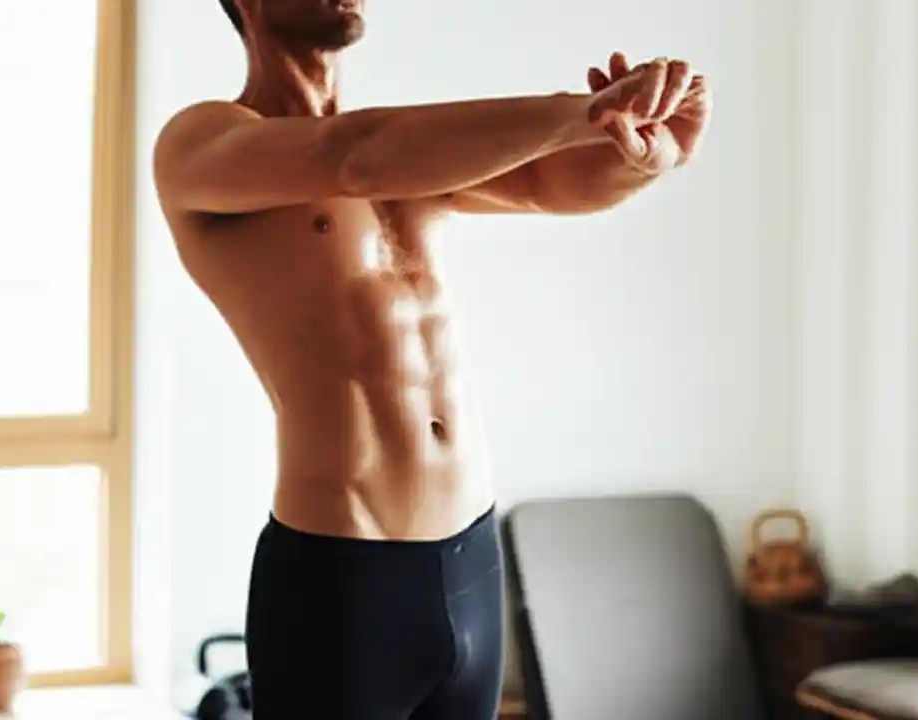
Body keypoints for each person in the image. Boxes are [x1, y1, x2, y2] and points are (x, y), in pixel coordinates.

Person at [153, 1, 712, 717]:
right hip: (342, 580)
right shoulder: (202, 142)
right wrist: (586, 110)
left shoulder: (410, 151)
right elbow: (352, 158)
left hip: (469, 561)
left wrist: (644, 151)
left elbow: (548, 185)